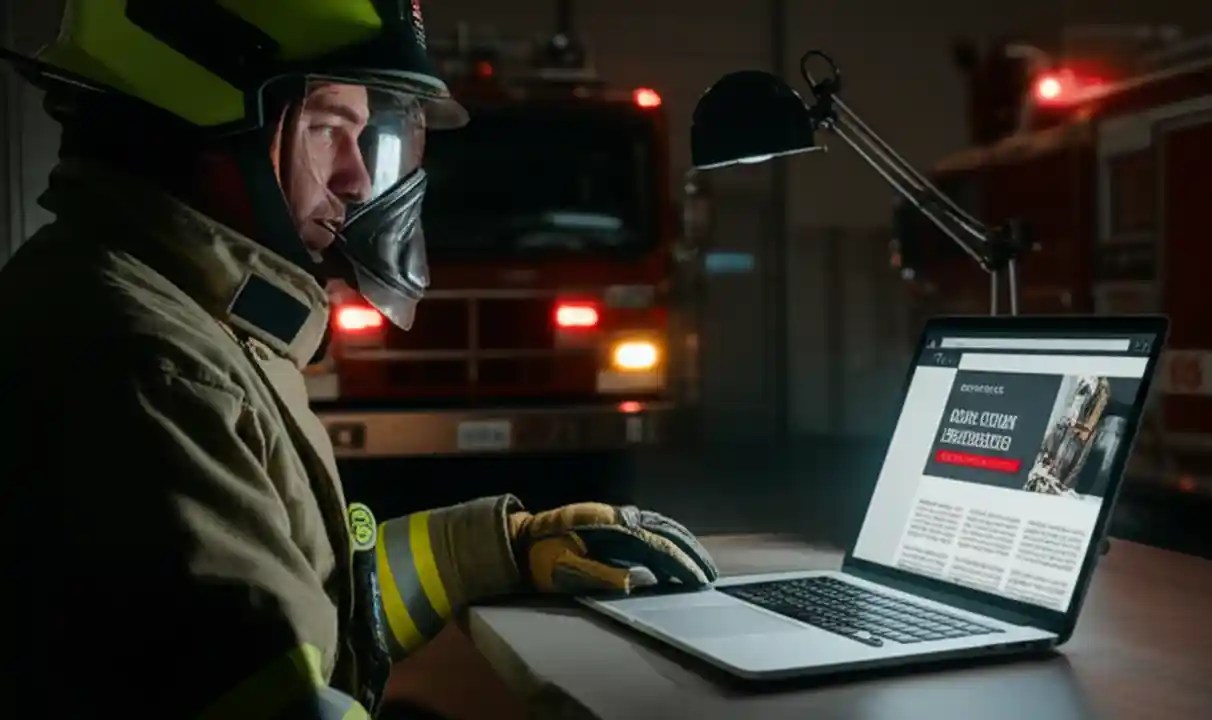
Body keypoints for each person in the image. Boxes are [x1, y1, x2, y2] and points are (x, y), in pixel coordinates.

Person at [0, 2, 718, 718]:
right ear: (203, 123)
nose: (353, 179)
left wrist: (489, 548)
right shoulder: (147, 367)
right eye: (325, 129)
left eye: (362, 135)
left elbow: (302, 598)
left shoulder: (181, 315)